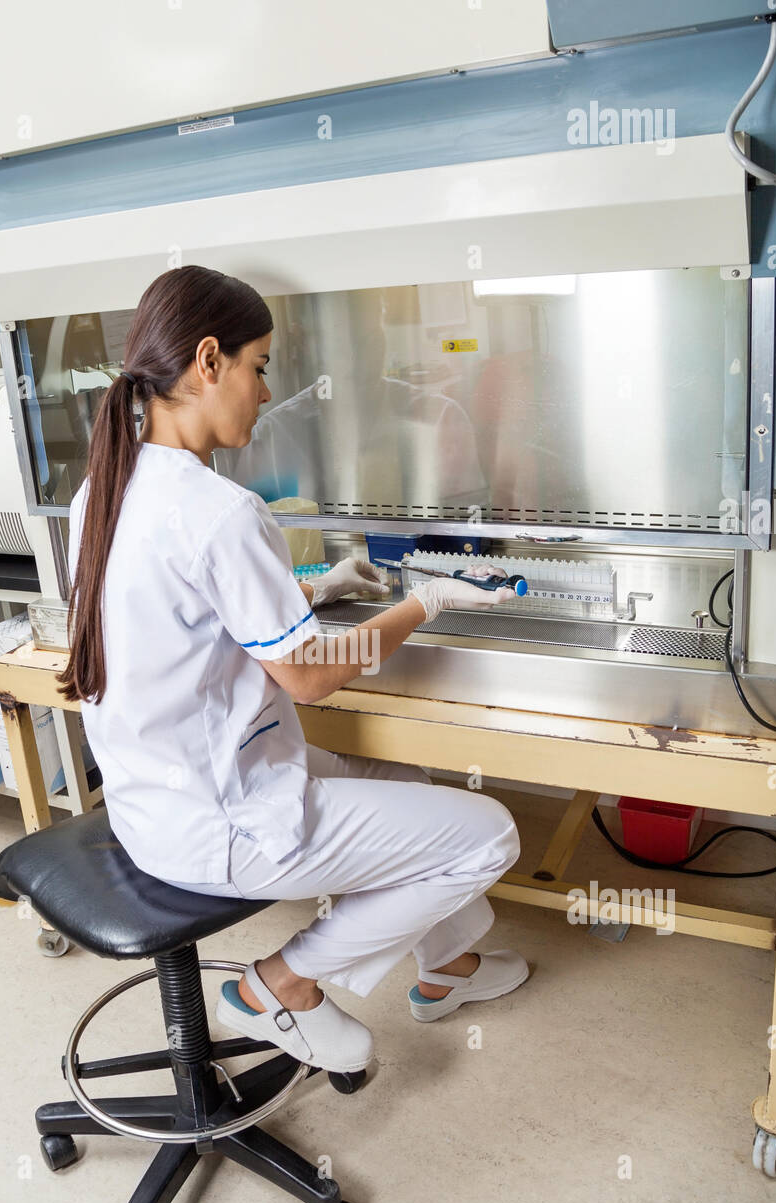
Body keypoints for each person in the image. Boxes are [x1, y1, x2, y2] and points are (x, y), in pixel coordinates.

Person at [61, 265, 527, 1075]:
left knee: (399, 776)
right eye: (260, 365)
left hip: (154, 798)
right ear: (210, 362)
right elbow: (308, 676)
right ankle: (280, 985)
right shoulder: (220, 511)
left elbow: (191, 610)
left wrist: (312, 587)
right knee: (488, 837)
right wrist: (429, 602)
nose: (267, 389)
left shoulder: (104, 486)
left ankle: (446, 969)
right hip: (223, 822)